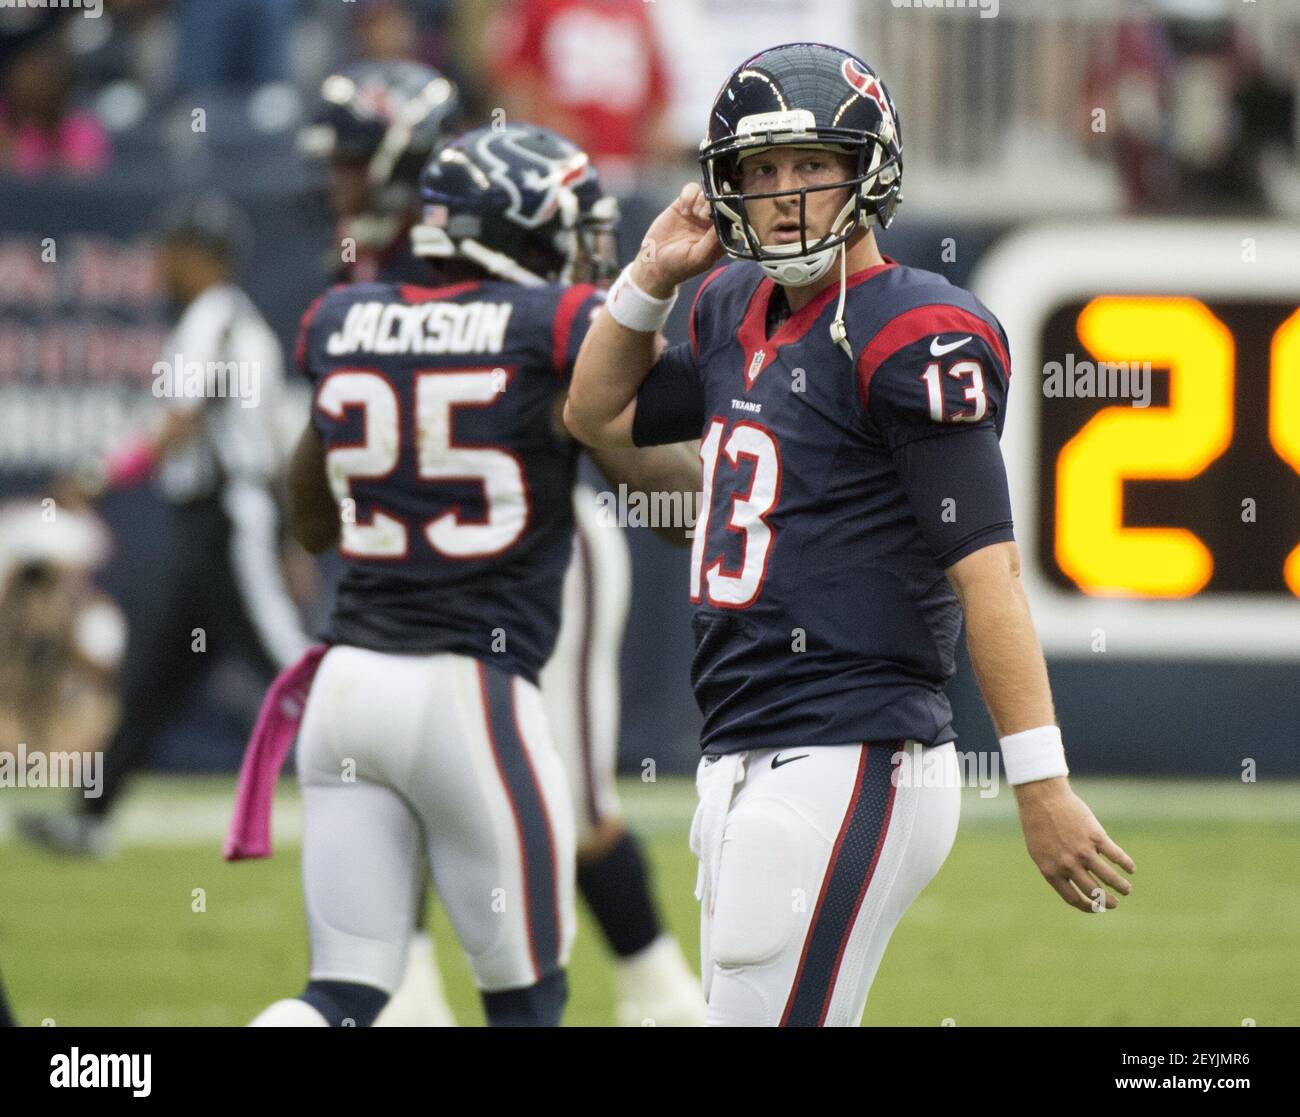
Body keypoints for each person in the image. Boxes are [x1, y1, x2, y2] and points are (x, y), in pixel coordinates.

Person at [565, 41, 1137, 1027]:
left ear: (866, 171)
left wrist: (1038, 780)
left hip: (847, 744)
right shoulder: (731, 304)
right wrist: (650, 276)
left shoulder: (911, 328)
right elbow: (594, 413)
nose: (784, 194)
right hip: (749, 743)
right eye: (762, 169)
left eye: (810, 165)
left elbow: (986, 567)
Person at [248, 123, 700, 1027]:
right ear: (521, 238)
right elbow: (678, 510)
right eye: (567, 233)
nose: (581, 254)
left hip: (345, 689)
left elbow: (307, 516)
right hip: (469, 695)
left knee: (340, 994)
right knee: (526, 998)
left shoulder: (345, 315)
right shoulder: (556, 327)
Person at [18, 194, 306, 857]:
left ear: (199, 255)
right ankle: (91, 816)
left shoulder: (215, 317)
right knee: (158, 677)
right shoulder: (232, 322)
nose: (158, 265)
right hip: (214, 522)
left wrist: (95, 476)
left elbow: (179, 426)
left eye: (169, 250)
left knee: (286, 662)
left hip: (228, 517)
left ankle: (369, 765)